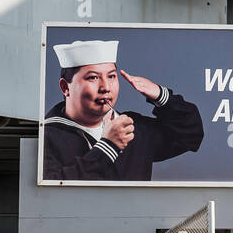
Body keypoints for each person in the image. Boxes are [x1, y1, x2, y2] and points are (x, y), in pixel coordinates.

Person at [42, 39, 204, 181]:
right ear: (65, 87)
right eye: (93, 77)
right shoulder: (47, 136)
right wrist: (108, 146)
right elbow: (52, 195)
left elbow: (190, 135)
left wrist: (162, 96)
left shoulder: (133, 128)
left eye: (111, 76)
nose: (105, 87)